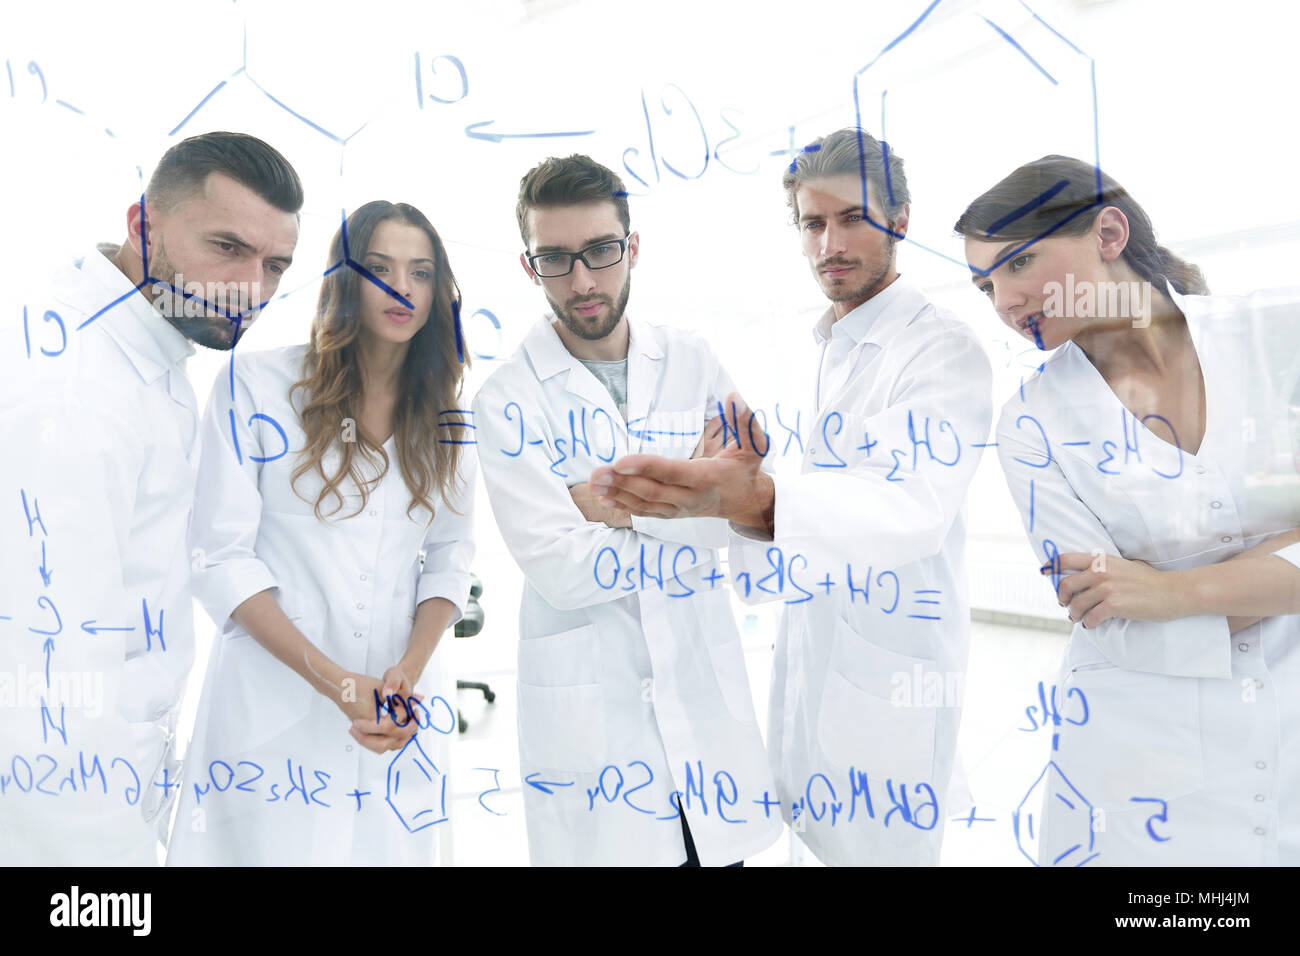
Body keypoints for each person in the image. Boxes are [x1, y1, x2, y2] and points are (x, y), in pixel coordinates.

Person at [589, 128, 994, 866]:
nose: (829, 243)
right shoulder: (828, 349)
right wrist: (737, 498)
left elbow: (907, 512)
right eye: (813, 222)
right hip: (817, 671)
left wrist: (754, 499)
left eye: (852, 218)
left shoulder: (940, 349)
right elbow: (806, 526)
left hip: (890, 684)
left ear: (900, 219)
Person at [956, 155, 1300, 865]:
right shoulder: (1030, 422)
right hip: (1142, 756)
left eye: (1018, 265)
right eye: (986, 284)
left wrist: (1174, 590)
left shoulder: (1278, 335)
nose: (1003, 301)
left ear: (1107, 233)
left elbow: (1144, 602)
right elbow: (1116, 623)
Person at [0, 131, 303, 866]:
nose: (253, 290)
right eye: (226, 248)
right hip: (66, 828)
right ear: (144, 225)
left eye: (275, 265)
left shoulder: (152, 346)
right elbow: (48, 687)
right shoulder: (78, 395)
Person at [471, 154, 780, 866]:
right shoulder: (507, 398)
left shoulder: (694, 362)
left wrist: (614, 507)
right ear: (530, 267)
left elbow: (750, 521)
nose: (582, 280)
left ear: (632, 247)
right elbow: (561, 571)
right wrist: (694, 498)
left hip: (704, 719)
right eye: (556, 259)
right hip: (595, 735)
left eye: (601, 252)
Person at [166, 201, 476, 866]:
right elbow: (218, 556)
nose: (403, 288)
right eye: (381, 268)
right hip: (271, 710)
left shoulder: (447, 413)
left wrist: (407, 671)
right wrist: (338, 683)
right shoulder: (257, 384)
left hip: (394, 718)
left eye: (421, 271)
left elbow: (452, 554)